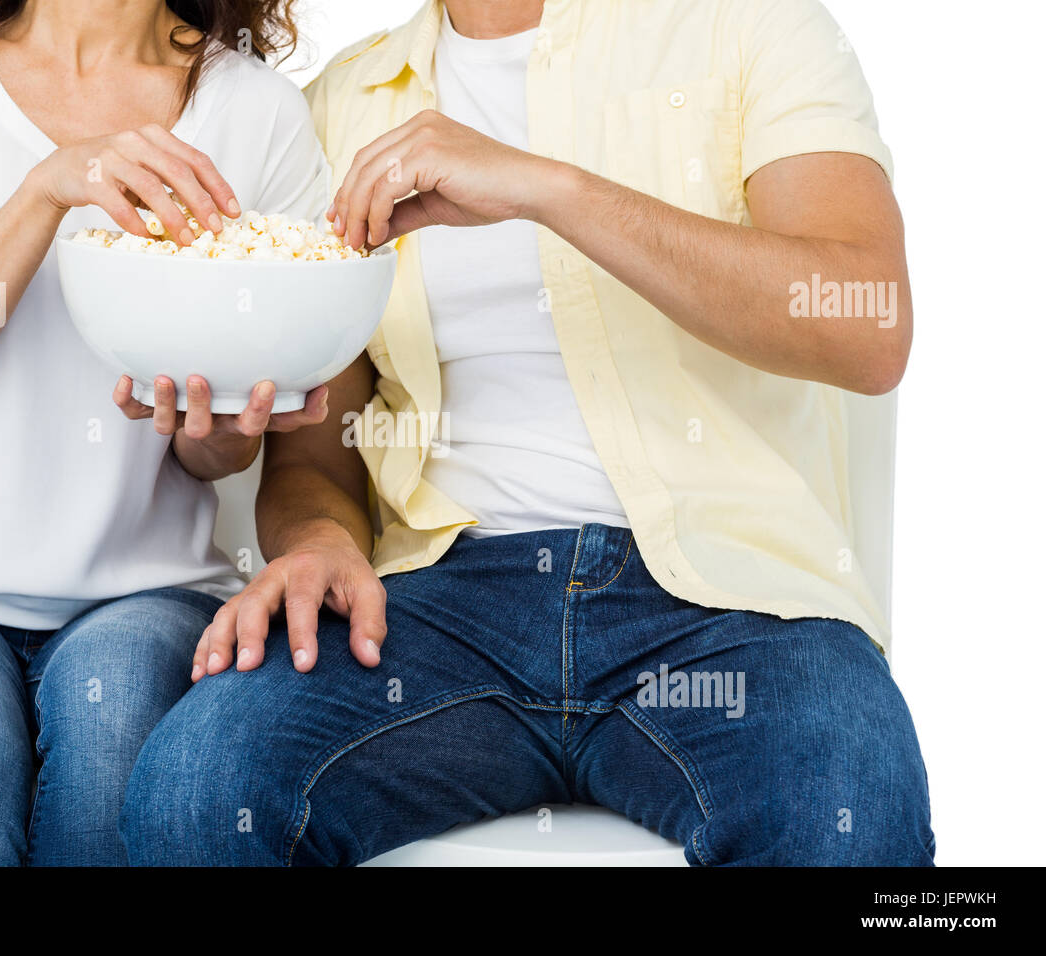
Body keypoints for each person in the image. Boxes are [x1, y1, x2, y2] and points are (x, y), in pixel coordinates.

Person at [121, 0, 936, 866]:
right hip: (433, 613)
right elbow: (319, 454)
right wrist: (320, 543)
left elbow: (869, 325)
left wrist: (548, 188)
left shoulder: (753, 29)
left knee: (846, 822)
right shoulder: (341, 104)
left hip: (734, 608)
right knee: (196, 788)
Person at [0, 0, 328, 866]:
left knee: (113, 761)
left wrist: (219, 431)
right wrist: (46, 188)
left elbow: (218, 452)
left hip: (146, 592)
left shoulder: (256, 113)